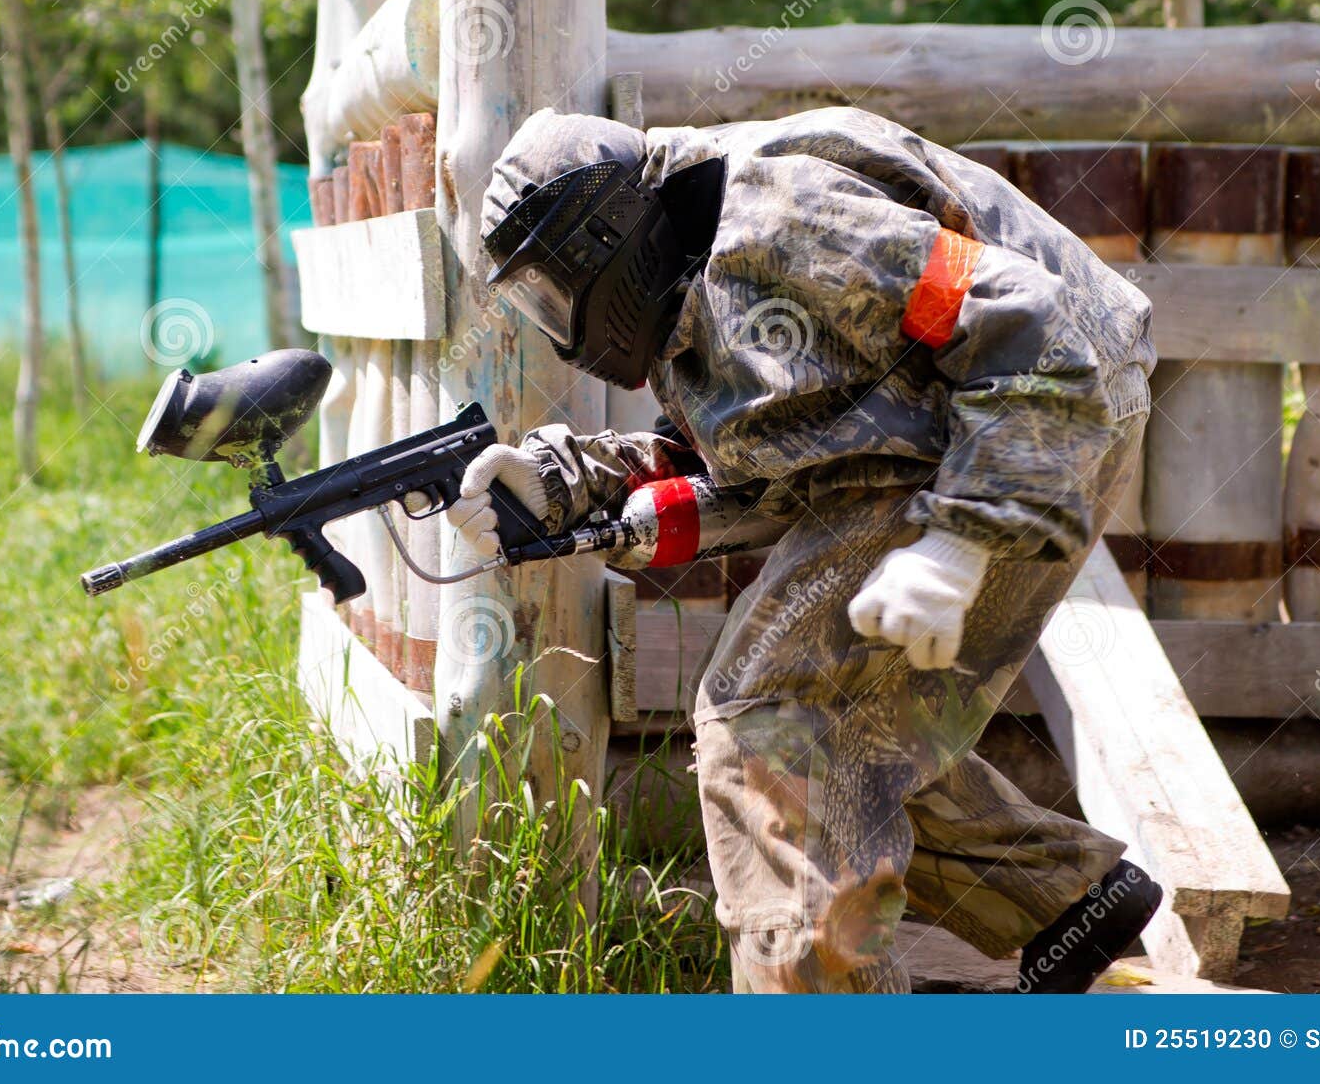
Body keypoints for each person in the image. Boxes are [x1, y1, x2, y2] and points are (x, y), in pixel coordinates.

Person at [451, 105, 1162, 993]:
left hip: (1040, 409)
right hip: (951, 431)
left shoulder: (781, 215)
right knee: (848, 729)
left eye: (556, 292)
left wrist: (962, 537)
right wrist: (565, 480)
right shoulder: (684, 276)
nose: (562, 326)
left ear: (608, 237)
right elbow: (757, 460)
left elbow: (1030, 327)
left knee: (767, 718)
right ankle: (1068, 899)